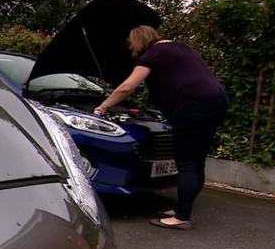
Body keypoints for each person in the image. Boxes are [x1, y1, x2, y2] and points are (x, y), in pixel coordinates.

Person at [94, 25, 229, 230]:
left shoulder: (152, 54)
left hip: (193, 107)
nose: (132, 49)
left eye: (132, 45)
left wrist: (103, 106)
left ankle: (182, 217)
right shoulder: (181, 47)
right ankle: (182, 210)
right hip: (217, 102)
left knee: (187, 164)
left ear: (138, 41)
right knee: (196, 161)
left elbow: (127, 87)